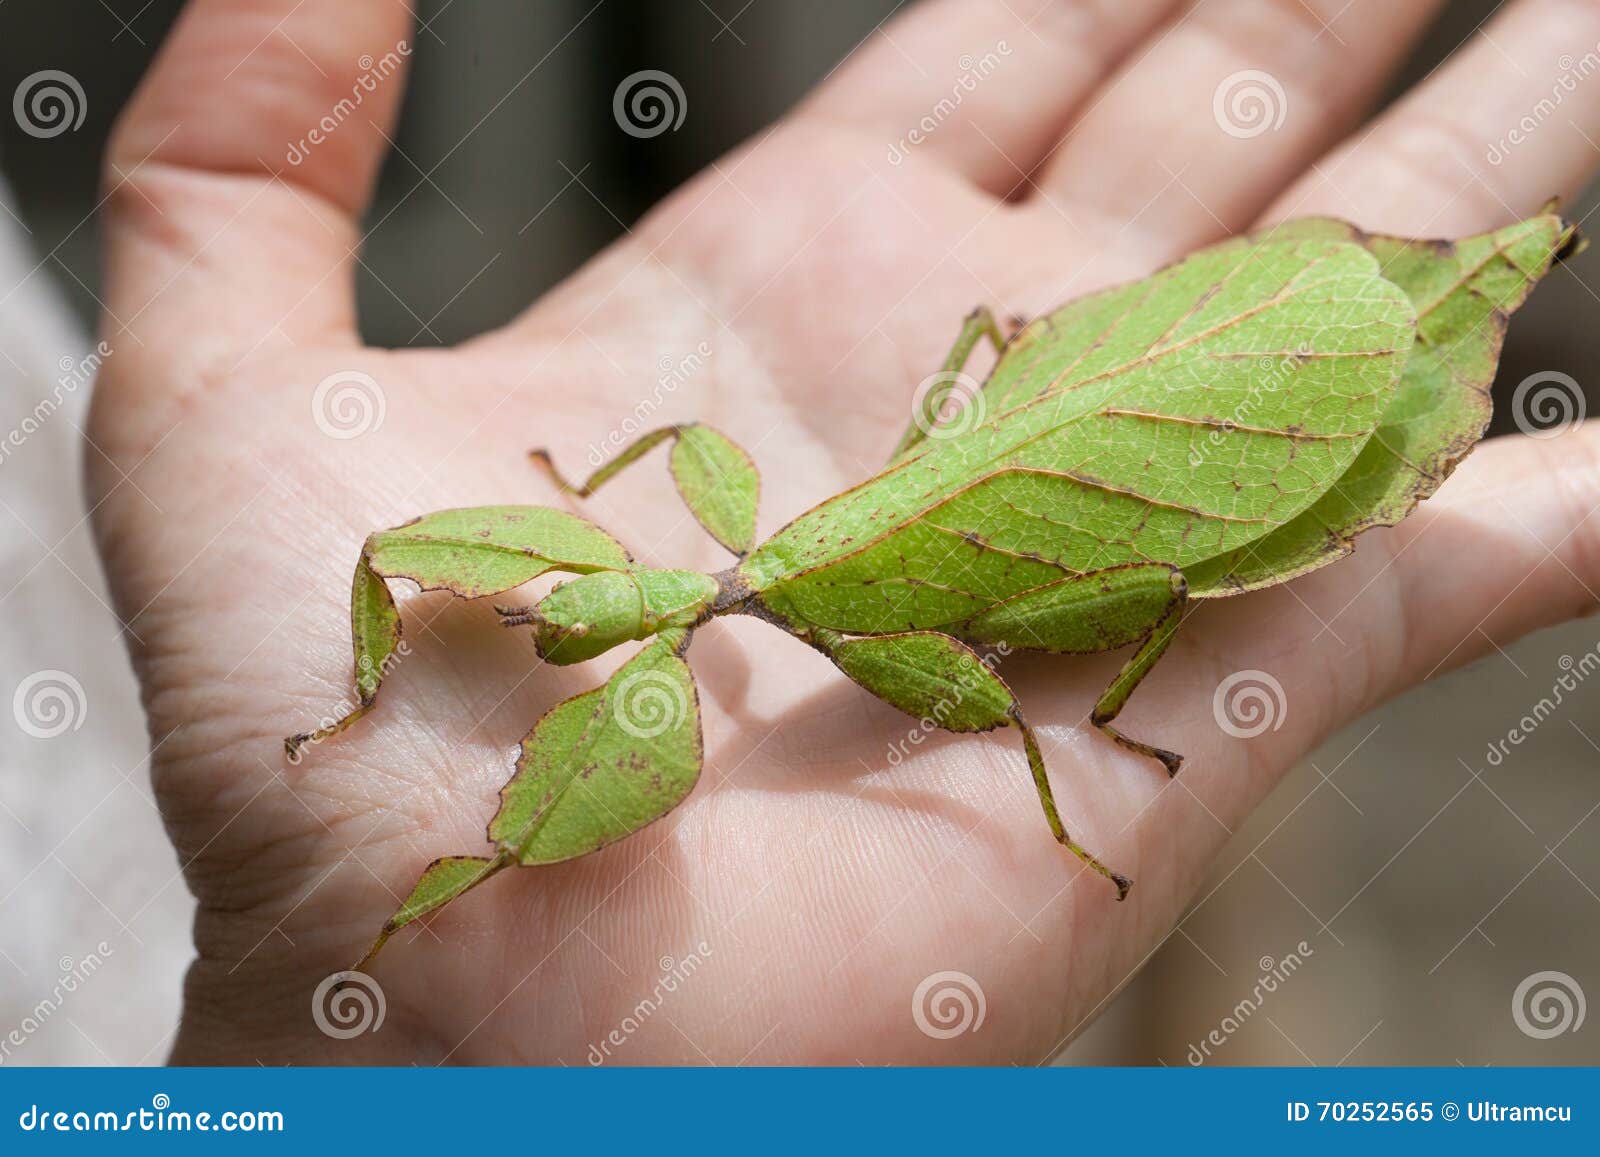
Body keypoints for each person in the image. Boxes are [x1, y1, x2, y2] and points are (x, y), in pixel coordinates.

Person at [91, 0, 1600, 1064]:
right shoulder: (750, 577)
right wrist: (407, 1041)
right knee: (1096, 572)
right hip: (1098, 419)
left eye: (581, 613)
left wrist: (1081, 797)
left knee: (1133, 582)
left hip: (1141, 418)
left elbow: (1006, 687)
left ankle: (1486, 271)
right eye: (589, 621)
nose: (572, 625)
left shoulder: (767, 581)